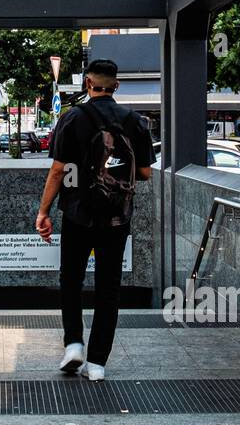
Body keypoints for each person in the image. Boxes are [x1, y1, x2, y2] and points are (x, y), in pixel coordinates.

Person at [35, 59, 153, 381]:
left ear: (88, 83)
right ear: (116, 86)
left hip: (77, 214)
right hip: (117, 217)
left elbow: (58, 170)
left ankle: (74, 344)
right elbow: (145, 172)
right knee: (109, 288)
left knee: (71, 279)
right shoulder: (135, 122)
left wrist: (44, 211)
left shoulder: (72, 118)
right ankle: (98, 363)